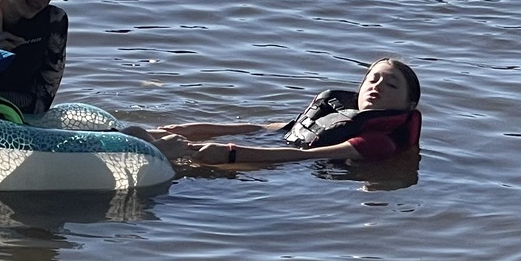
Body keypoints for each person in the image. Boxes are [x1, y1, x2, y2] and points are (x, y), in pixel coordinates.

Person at [138, 58, 421, 166]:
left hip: (278, 168)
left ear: (408, 105)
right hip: (268, 147)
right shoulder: (335, 112)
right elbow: (261, 129)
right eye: (372, 80)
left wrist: (230, 153)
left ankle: (153, 153)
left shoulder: (378, 141)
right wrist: (182, 129)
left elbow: (304, 156)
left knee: (194, 165)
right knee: (164, 137)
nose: (377, 86)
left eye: (391, 84)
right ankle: (143, 139)